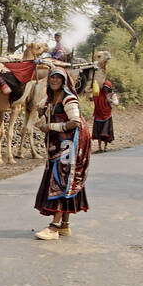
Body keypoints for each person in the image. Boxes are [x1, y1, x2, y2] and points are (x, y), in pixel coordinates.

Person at [34, 65, 91, 240]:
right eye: (52, 77)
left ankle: (54, 227)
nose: (54, 80)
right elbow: (41, 107)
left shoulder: (69, 99)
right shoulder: (51, 98)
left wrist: (50, 126)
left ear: (64, 81)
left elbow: (74, 122)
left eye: (58, 78)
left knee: (61, 180)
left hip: (70, 144)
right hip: (57, 144)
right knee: (64, 179)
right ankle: (64, 225)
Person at [92, 78, 117, 151]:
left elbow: (116, 103)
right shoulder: (99, 93)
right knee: (99, 133)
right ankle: (99, 147)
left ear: (109, 88)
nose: (105, 89)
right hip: (98, 115)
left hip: (107, 116)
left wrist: (110, 100)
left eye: (107, 88)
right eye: (105, 87)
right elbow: (93, 97)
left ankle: (105, 147)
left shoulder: (112, 94)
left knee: (106, 133)